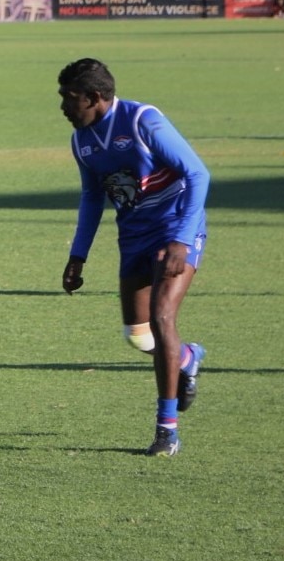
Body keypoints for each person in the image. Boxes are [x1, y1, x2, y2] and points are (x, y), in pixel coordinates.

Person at [58, 58, 209, 458]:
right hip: (134, 238)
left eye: (70, 98)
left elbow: (197, 174)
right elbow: (92, 197)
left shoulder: (143, 120)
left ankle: (166, 431)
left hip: (177, 228)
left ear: (94, 97)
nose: (63, 106)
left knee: (163, 319)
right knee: (139, 335)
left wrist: (181, 238)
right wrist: (78, 255)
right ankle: (188, 356)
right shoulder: (82, 142)